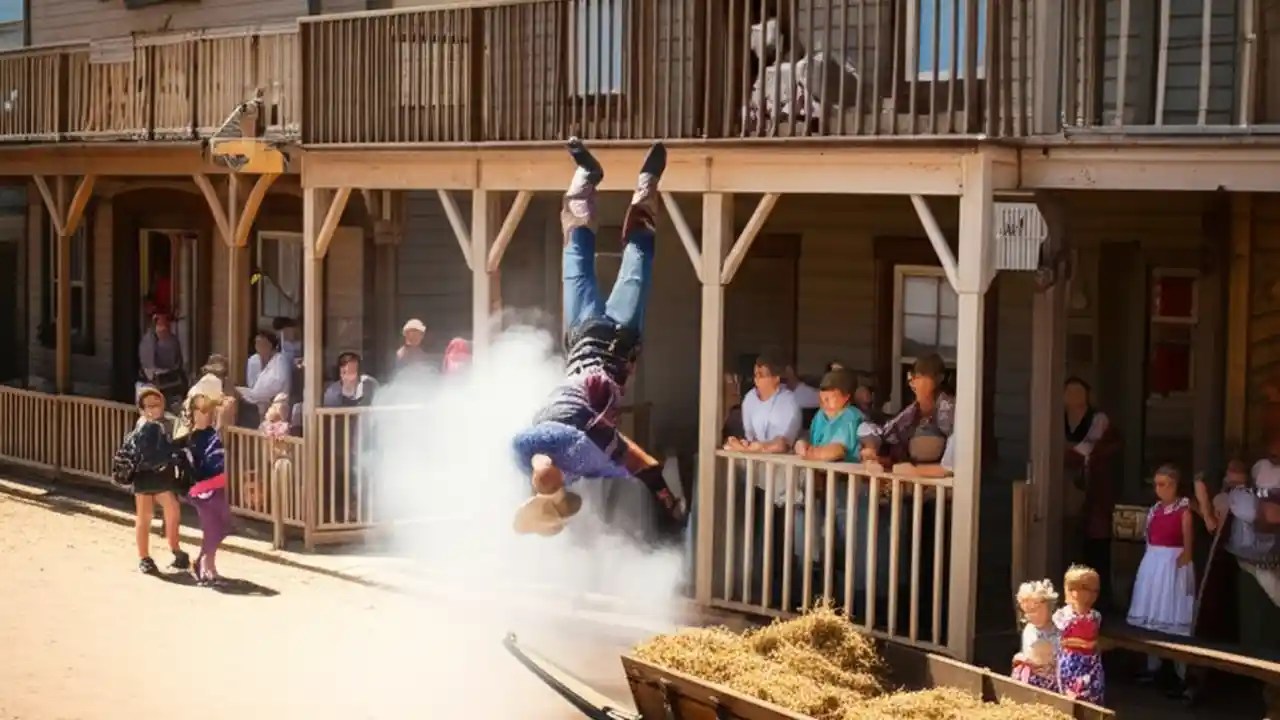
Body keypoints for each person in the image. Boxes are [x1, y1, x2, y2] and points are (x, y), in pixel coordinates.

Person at [510, 138, 685, 538]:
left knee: (575, 249)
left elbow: (540, 461)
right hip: (620, 340)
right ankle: (647, 183)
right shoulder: (593, 451)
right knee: (639, 255)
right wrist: (667, 501)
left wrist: (543, 494)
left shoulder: (532, 452)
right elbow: (646, 466)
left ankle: (587, 176)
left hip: (582, 334)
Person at [1127, 464, 1195, 697]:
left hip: (1172, 565)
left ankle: (1181, 674)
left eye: (1163, 484)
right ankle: (1152, 667)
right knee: (1152, 615)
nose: (1158, 489)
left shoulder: (1183, 510)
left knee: (1173, 615)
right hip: (1153, 564)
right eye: (1156, 484)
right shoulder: (1154, 509)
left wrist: (1181, 568)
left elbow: (1188, 547)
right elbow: (1148, 538)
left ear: (1174, 485)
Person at [1063, 376, 1121, 609]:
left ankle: (1098, 600)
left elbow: (1087, 448)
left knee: (1094, 542)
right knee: (1068, 540)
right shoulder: (1058, 417)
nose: (1073, 396)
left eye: (1078, 391)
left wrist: (1070, 453)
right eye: (1069, 391)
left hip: (1093, 489)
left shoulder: (1098, 419)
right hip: (1064, 487)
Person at [120, 386, 189, 575]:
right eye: (148, 406)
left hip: (163, 474)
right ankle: (144, 557)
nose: (152, 410)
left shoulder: (170, 422)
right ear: (141, 409)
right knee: (144, 515)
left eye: (156, 405)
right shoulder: (141, 426)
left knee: (172, 509)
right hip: (144, 475)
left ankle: (175, 548)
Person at [180, 394, 232, 587]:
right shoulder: (189, 439)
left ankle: (204, 558)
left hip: (217, 484)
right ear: (193, 413)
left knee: (224, 525)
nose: (205, 415)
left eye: (208, 411)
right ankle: (206, 566)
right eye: (201, 411)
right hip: (200, 488)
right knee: (211, 526)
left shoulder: (213, 432)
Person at [1054, 564, 1105, 705]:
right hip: (1071, 662)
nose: (1092, 595)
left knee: (1093, 693)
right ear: (1072, 591)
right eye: (1087, 589)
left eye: (1096, 591)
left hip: (1091, 663)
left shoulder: (1095, 616)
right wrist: (1082, 644)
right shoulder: (1063, 616)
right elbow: (1060, 640)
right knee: (1072, 695)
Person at [1012, 579, 1061, 692]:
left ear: (1049, 606)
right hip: (1030, 678)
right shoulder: (1029, 630)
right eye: (1026, 612)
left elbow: (1059, 659)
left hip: (1050, 681)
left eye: (1034, 610)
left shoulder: (1057, 633)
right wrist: (1022, 658)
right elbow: (1027, 652)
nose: (1030, 616)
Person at [238, 330, 291, 423]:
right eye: (257, 343)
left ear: (271, 345)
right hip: (257, 402)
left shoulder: (280, 360)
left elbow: (275, 385)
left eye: (262, 343)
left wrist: (254, 394)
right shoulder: (254, 360)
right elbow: (252, 384)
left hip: (276, 404)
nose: (259, 346)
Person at [138, 312, 187, 409]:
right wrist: (155, 374)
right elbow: (148, 366)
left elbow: (178, 361)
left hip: (172, 381)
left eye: (166, 326)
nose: (164, 329)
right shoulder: (148, 341)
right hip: (153, 383)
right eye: (161, 326)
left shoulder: (173, 340)